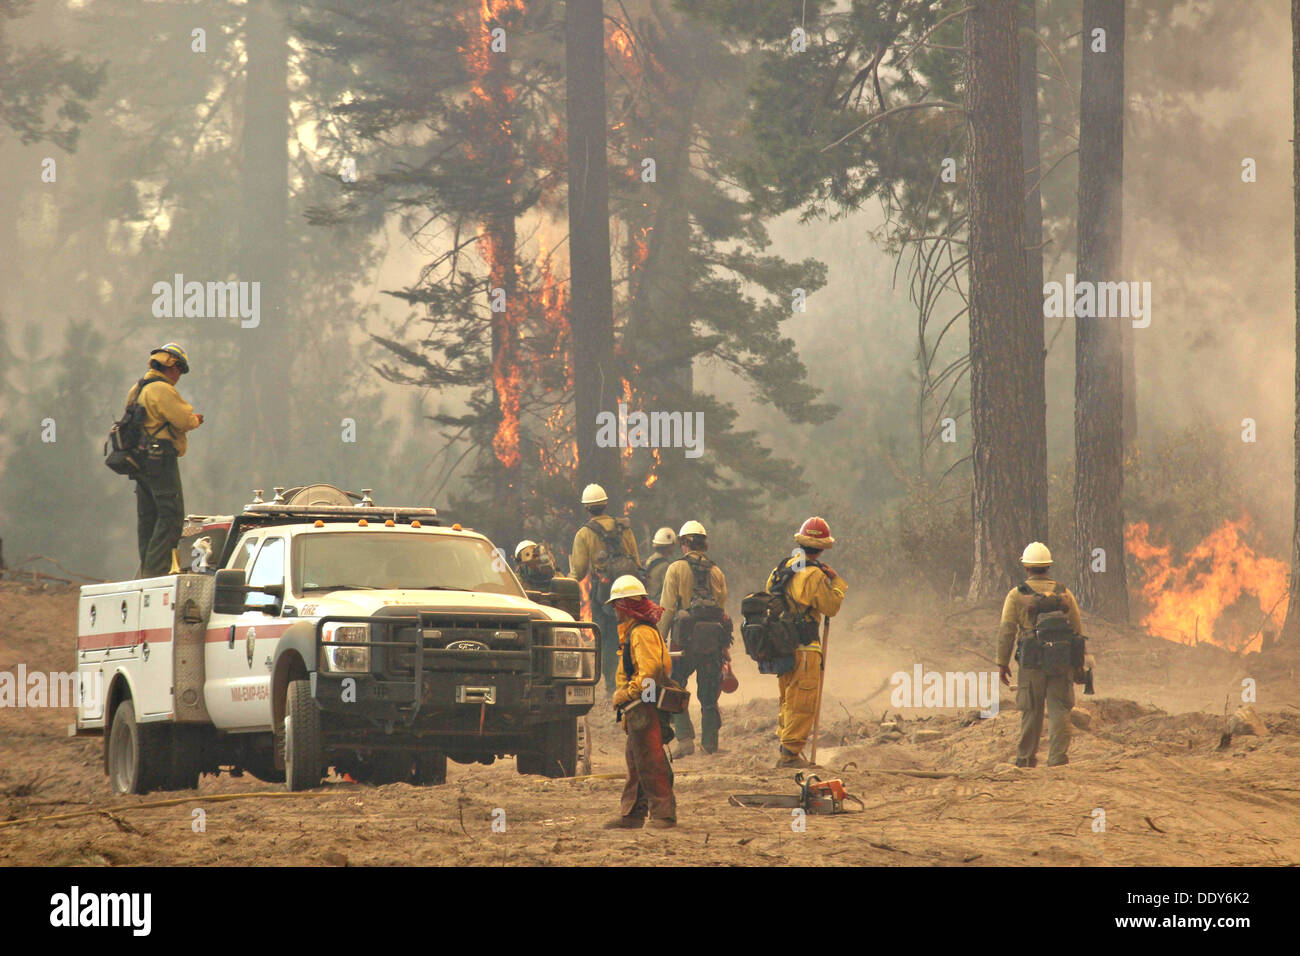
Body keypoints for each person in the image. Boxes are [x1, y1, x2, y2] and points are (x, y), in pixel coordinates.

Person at [763, 516, 846, 768]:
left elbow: (769, 594)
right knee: (804, 702)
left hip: (782, 646)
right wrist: (838, 583)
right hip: (806, 648)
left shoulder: (781, 569)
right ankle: (790, 754)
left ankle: (786, 747)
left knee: (788, 698)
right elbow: (830, 607)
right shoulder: (814, 575)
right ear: (821, 549)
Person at [996, 542, 1084, 768]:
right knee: (1060, 710)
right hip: (1061, 662)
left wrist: (1002, 662)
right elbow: (1076, 630)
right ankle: (1057, 759)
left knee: (1031, 711)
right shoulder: (1064, 593)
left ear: (1026, 567)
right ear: (1048, 567)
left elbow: (1007, 631)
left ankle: (1025, 759)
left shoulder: (1016, 595)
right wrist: (1077, 665)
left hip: (1031, 662)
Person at [602, 574, 676, 830]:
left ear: (625, 605)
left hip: (644, 704)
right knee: (636, 759)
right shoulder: (635, 630)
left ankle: (663, 816)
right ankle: (632, 814)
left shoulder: (641, 632)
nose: (614, 611)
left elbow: (650, 671)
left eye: (616, 606)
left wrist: (625, 694)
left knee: (651, 760)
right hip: (639, 706)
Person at [127, 343, 203, 577]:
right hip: (160, 458)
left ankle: (146, 571)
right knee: (171, 514)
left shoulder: (138, 389)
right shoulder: (161, 389)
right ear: (173, 366)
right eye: (179, 370)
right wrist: (196, 420)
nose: (179, 376)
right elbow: (182, 419)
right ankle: (156, 571)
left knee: (148, 517)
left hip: (140, 461)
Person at [658, 520, 728, 757]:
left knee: (675, 687)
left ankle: (685, 739)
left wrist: (658, 640)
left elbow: (667, 609)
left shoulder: (675, 569)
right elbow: (722, 610)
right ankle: (710, 746)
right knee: (709, 695)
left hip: (682, 642)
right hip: (712, 643)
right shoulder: (717, 571)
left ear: (684, 543)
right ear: (704, 544)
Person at [568, 483, 643, 694]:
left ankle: (612, 684)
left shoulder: (584, 534)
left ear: (587, 508)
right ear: (606, 504)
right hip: (630, 589)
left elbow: (580, 571)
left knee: (607, 638)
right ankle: (633, 677)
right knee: (631, 634)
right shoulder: (624, 528)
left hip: (604, 593)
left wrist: (565, 582)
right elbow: (636, 561)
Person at [644, 526, 677, 600]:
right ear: (668, 546)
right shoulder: (665, 566)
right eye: (673, 545)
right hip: (658, 603)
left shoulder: (650, 560)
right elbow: (669, 591)